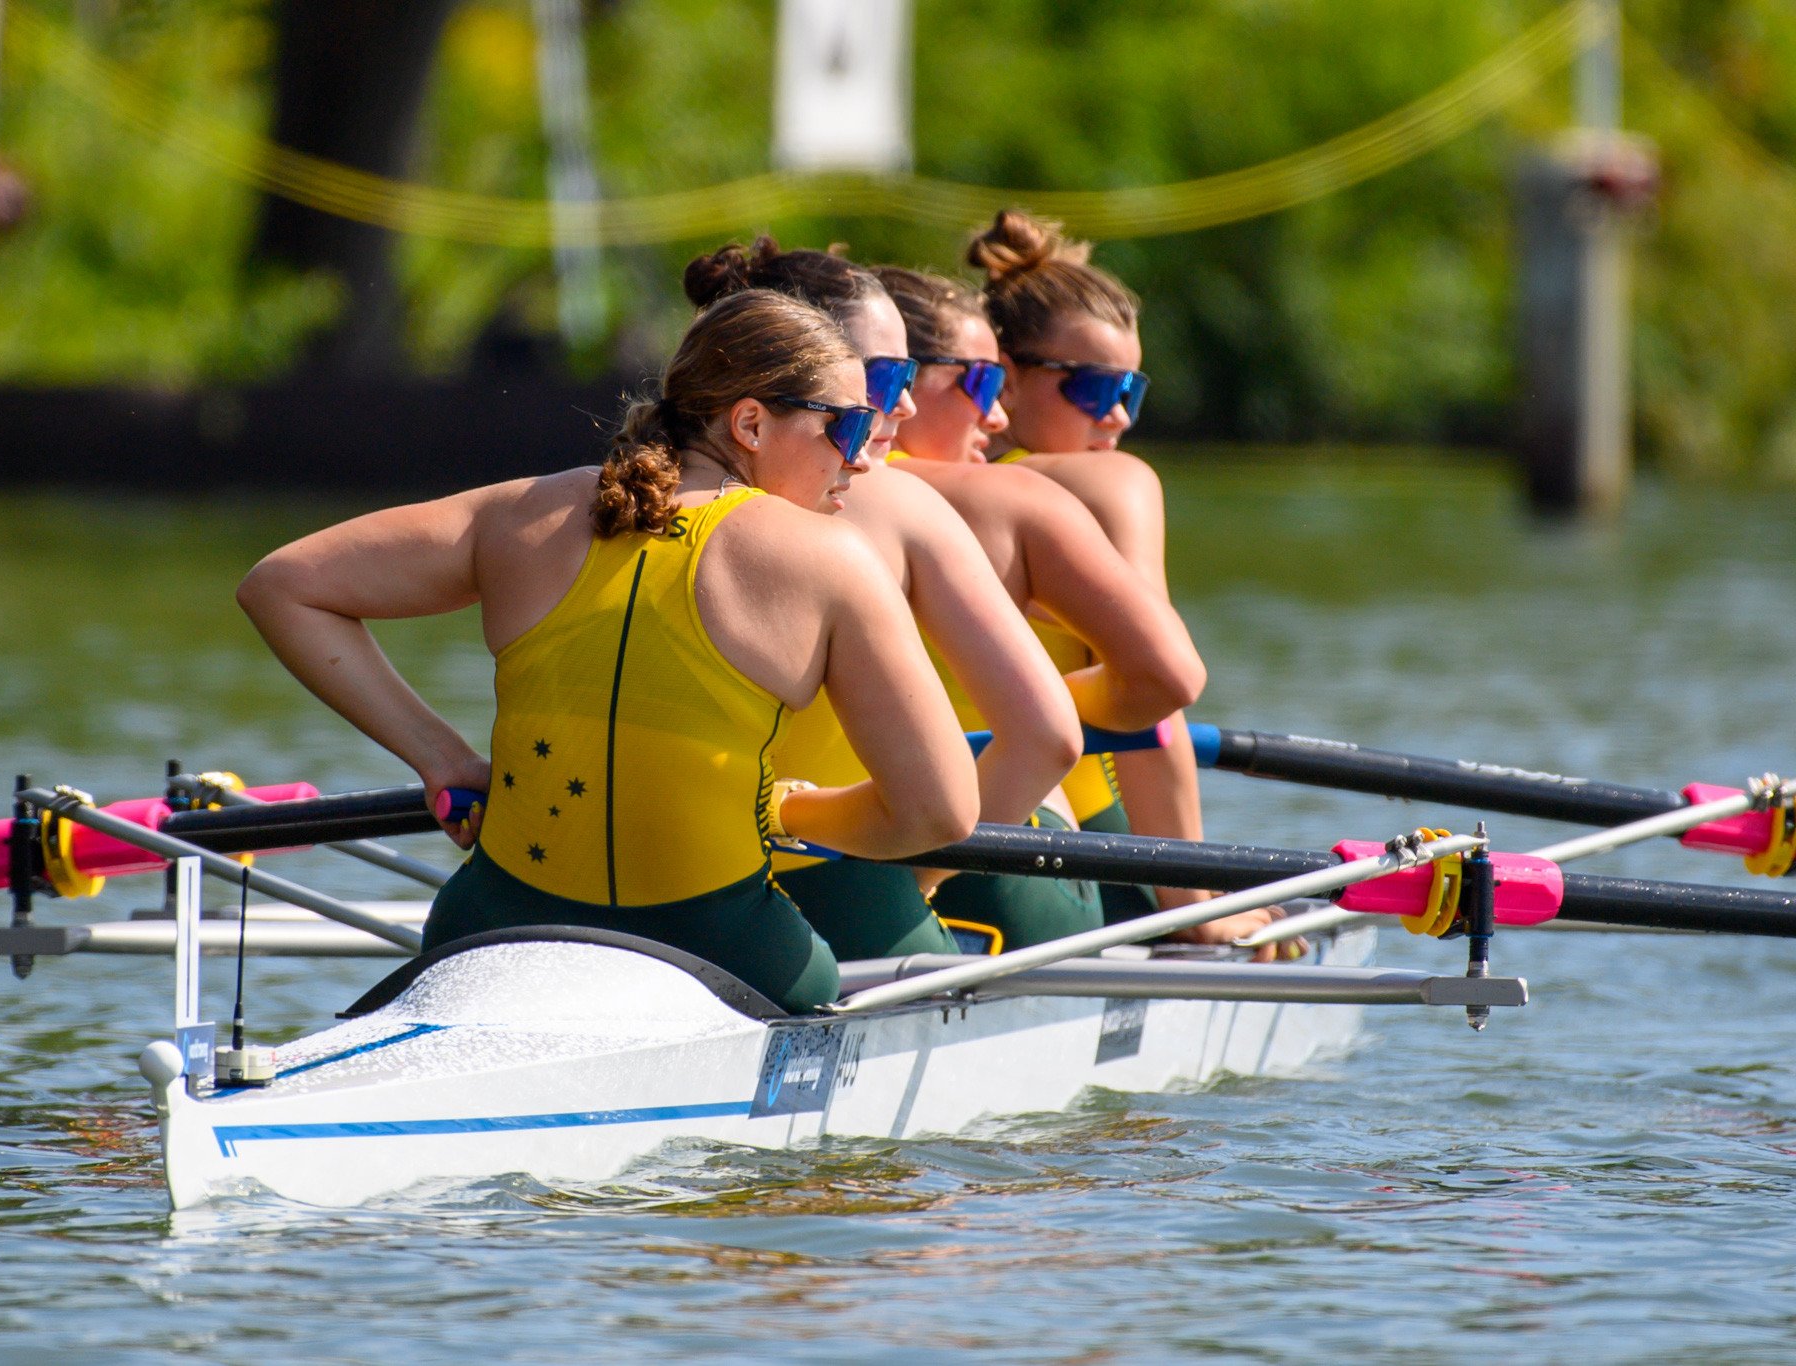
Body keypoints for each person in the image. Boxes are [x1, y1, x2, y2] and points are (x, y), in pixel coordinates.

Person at [234, 289, 979, 1011]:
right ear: (750, 423)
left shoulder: (521, 512)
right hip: (724, 947)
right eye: (847, 430)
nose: (863, 462)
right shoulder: (832, 558)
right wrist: (790, 816)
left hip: (491, 930)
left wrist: (442, 759)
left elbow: (282, 586)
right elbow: (941, 814)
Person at [687, 240, 1203, 956]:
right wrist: (1197, 907)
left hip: (723, 865)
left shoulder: (635, 494)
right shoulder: (1045, 492)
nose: (996, 416)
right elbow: (1159, 692)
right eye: (984, 385)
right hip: (958, 853)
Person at [879, 258, 1284, 954]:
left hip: (865, 840)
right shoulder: (1099, 486)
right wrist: (1194, 907)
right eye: (1095, 389)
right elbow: (1161, 700)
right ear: (1006, 366)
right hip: (1024, 852)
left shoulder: (812, 484)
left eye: (1132, 390)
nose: (1118, 416)